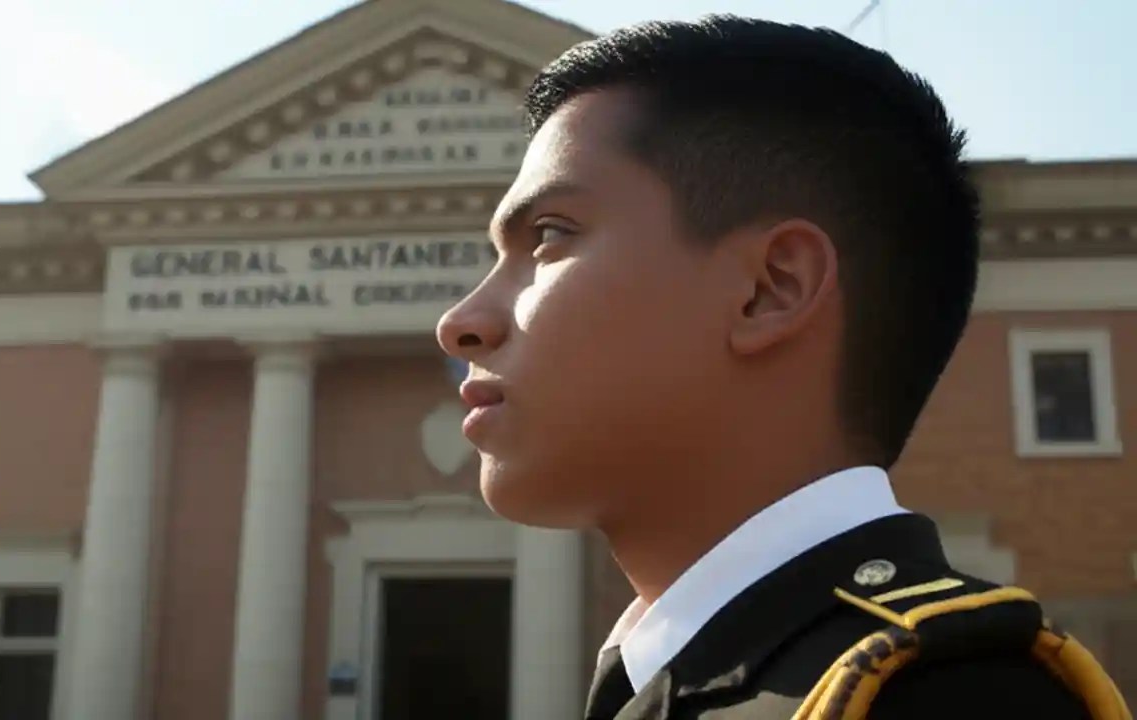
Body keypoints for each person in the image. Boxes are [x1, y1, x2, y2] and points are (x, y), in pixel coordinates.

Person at [435, 14, 1110, 720]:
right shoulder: (675, 681)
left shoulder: (947, 698)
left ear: (770, 289)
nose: (460, 323)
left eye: (548, 236)